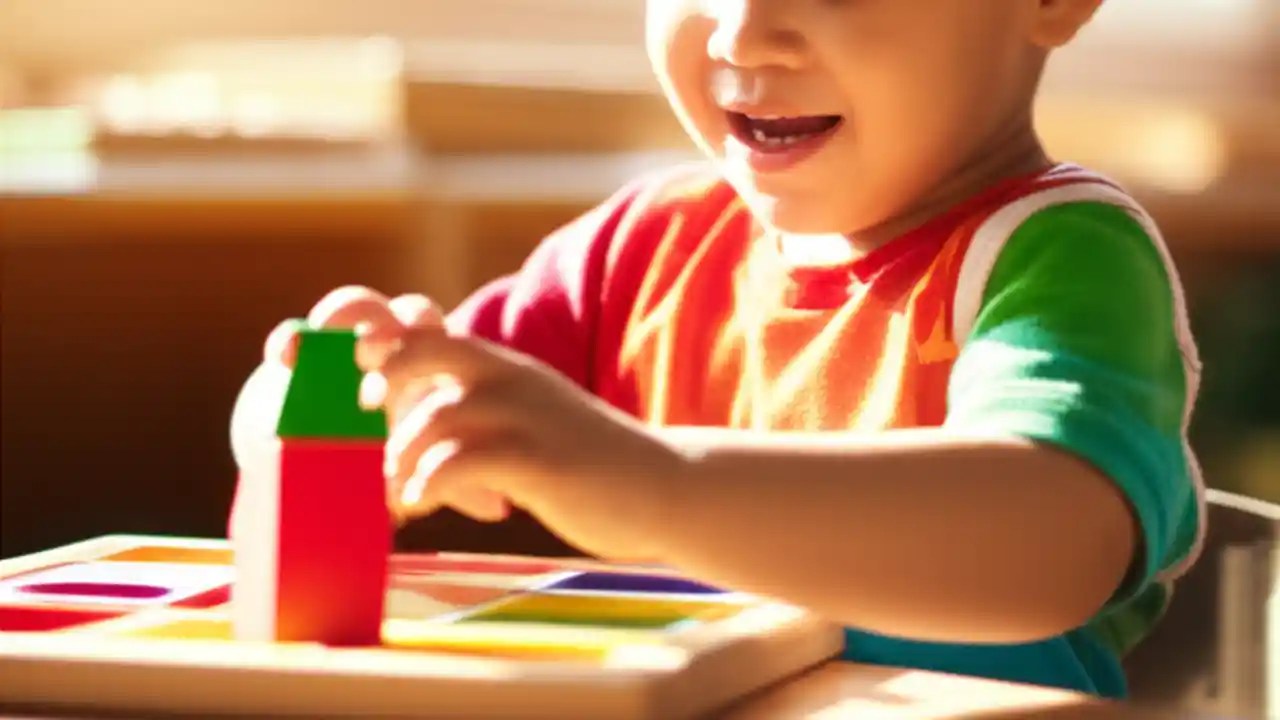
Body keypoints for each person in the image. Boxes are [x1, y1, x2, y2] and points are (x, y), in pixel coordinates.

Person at [232, 0, 1204, 698]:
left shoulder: (1057, 256)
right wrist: (315, 407)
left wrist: (655, 487)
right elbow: (413, 418)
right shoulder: (640, 248)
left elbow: (1048, 544)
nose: (742, 30)